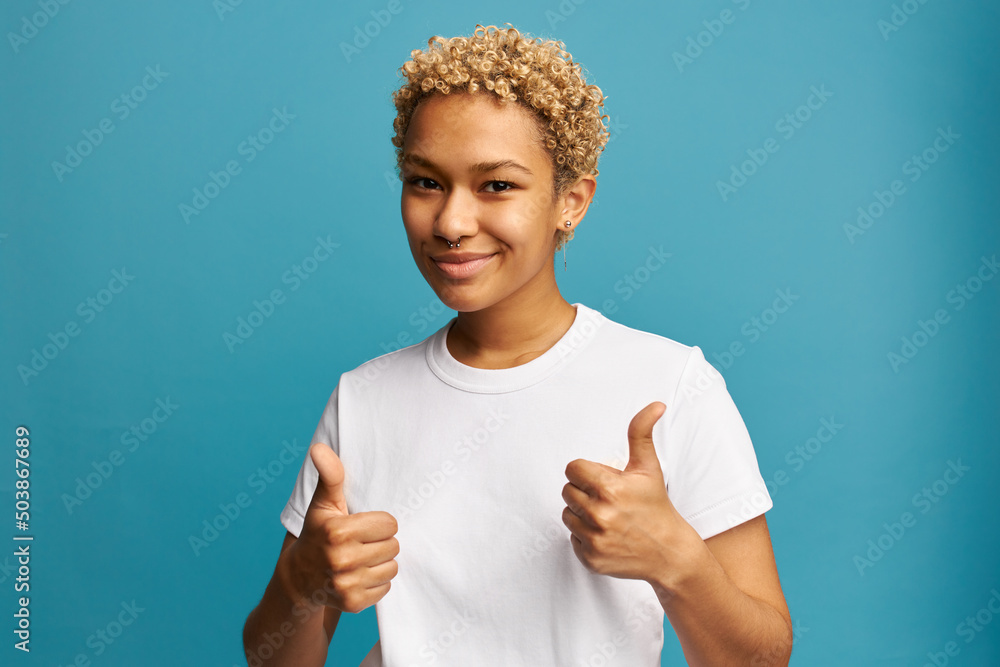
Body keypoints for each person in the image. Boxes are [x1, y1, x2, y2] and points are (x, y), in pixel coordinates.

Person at [243, 23, 792, 667]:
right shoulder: (364, 398)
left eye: (496, 185)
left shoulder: (671, 386)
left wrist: (679, 561)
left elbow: (763, 659)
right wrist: (300, 587)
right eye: (425, 181)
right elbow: (274, 659)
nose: (451, 222)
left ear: (571, 201)